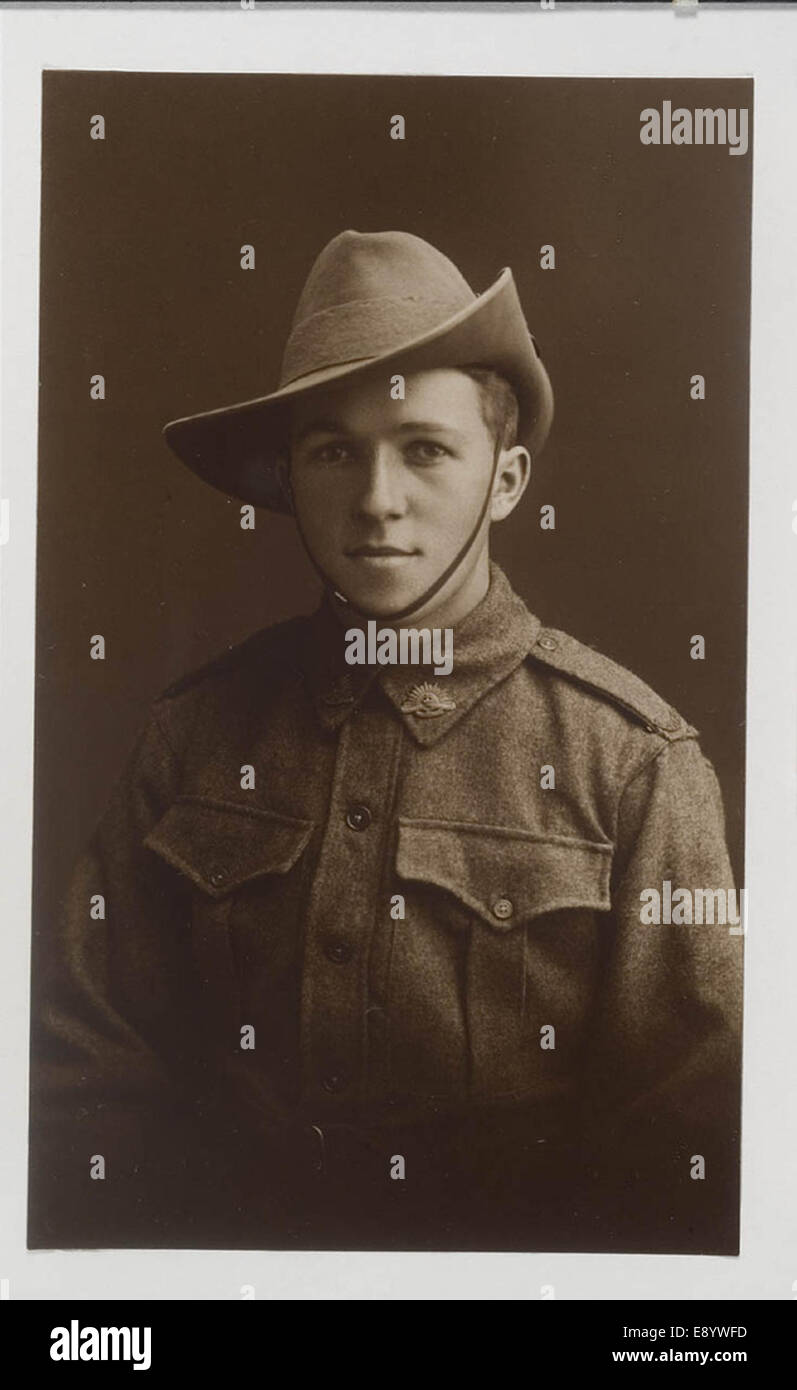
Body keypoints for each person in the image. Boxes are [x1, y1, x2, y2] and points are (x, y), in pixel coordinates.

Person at [28, 229, 743, 1253]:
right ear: (287, 481)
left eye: (423, 449)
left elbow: (688, 1148)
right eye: (333, 451)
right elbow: (84, 1080)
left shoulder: (631, 762)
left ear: (504, 479)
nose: (375, 500)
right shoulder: (192, 736)